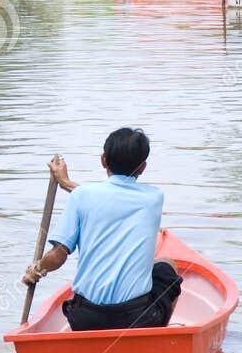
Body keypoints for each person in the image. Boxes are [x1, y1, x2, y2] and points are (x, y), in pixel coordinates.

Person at [21, 127, 182, 331]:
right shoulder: (154, 198)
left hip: (84, 319)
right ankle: (153, 335)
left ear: (103, 160)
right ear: (142, 167)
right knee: (167, 266)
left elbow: (58, 255)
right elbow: (112, 199)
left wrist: (37, 270)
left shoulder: (81, 197)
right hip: (139, 319)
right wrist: (67, 184)